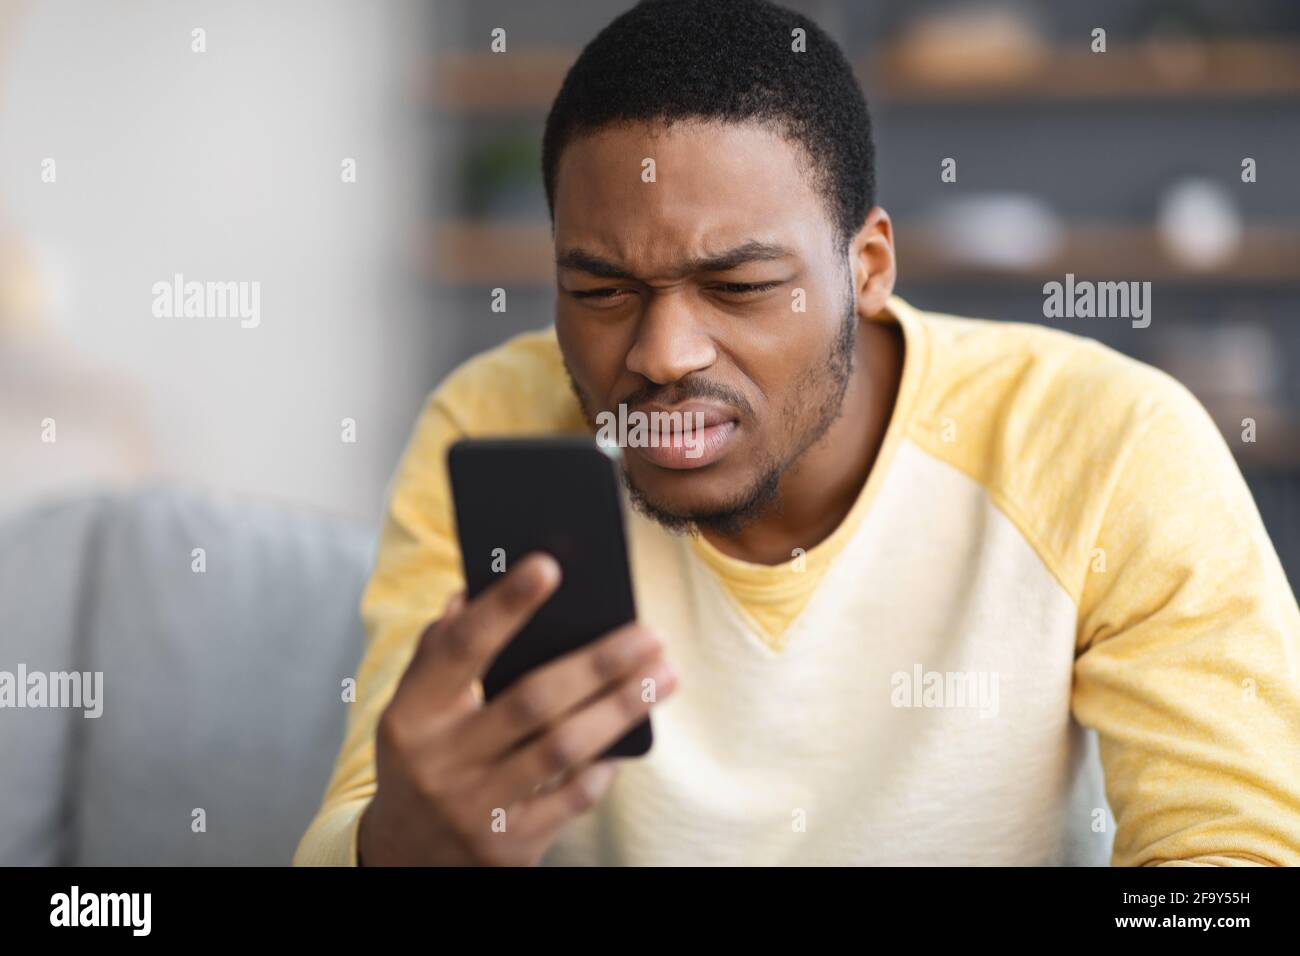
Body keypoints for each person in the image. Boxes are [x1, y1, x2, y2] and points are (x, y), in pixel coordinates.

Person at [295, 0, 1300, 866]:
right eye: (599, 290)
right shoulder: (492, 421)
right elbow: (357, 824)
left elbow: (1234, 858)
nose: (661, 352)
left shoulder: (1107, 441)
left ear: (866, 267)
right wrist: (394, 847)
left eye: (738, 286)